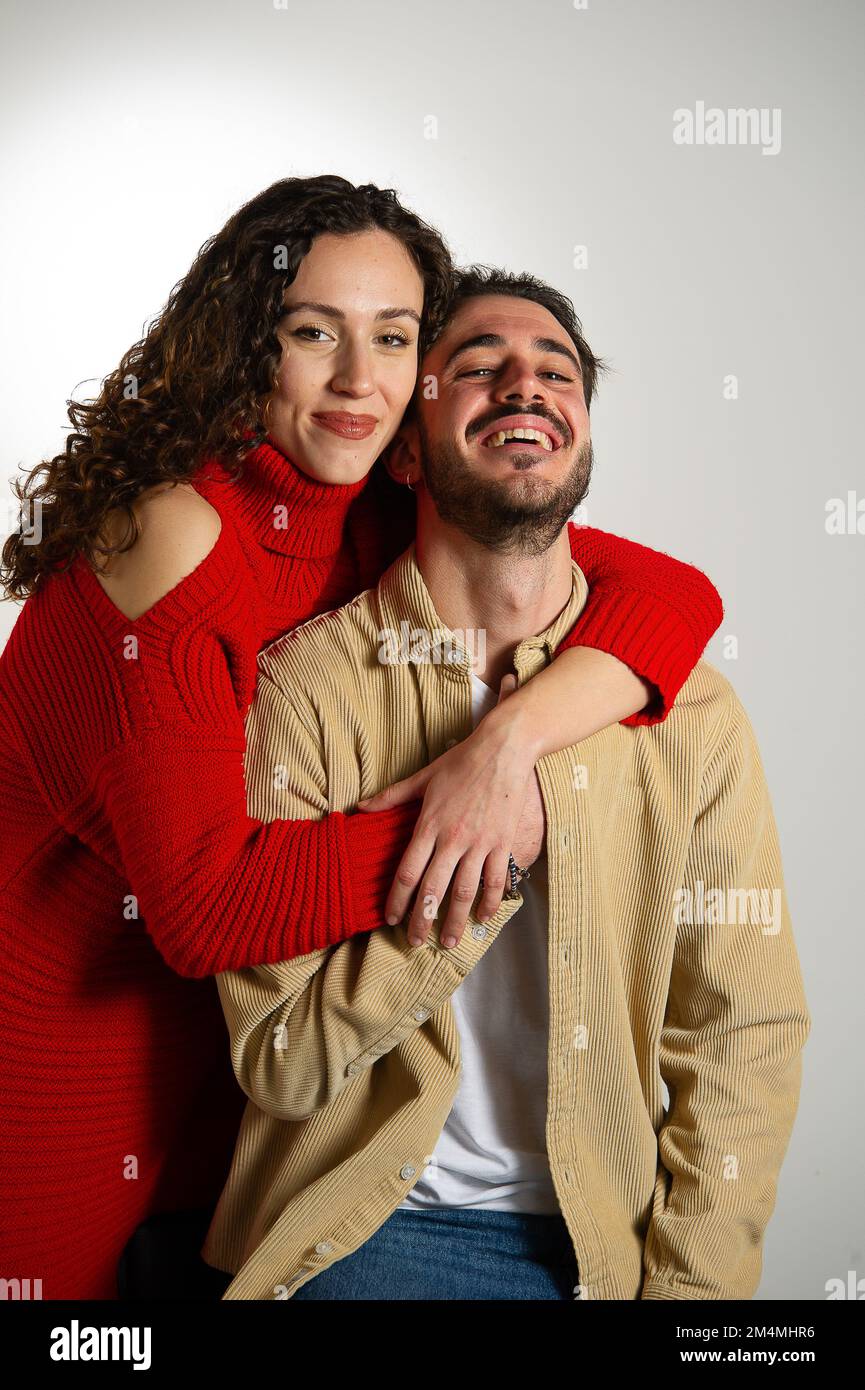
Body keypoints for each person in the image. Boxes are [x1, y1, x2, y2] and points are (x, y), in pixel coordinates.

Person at [0, 177, 722, 1300]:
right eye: (311, 333)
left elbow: (667, 591)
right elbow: (203, 910)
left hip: (251, 1084)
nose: (357, 379)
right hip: (61, 1053)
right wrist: (498, 839)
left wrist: (511, 749)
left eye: (392, 338)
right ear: (245, 347)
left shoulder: (367, 504)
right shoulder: (173, 531)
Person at [204, 267, 811, 1301]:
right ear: (405, 445)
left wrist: (691, 1298)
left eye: (555, 372)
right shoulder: (301, 695)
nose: (525, 386)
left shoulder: (690, 715)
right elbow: (281, 1057)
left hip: (600, 1247)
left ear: (579, 432)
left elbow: (739, 1034)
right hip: (361, 1234)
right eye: (478, 369)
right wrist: (476, 866)